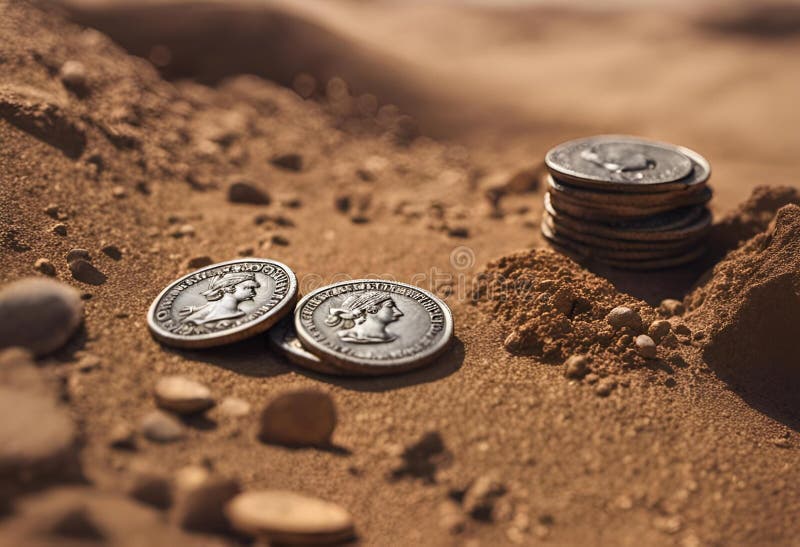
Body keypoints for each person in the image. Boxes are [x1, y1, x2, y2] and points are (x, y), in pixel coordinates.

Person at [179, 272, 260, 326]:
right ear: (230, 288)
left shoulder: (239, 313)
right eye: (249, 287)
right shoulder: (195, 319)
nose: (254, 293)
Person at [325, 291, 404, 343]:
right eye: (390, 306)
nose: (399, 312)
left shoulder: (393, 337)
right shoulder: (346, 336)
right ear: (371, 310)